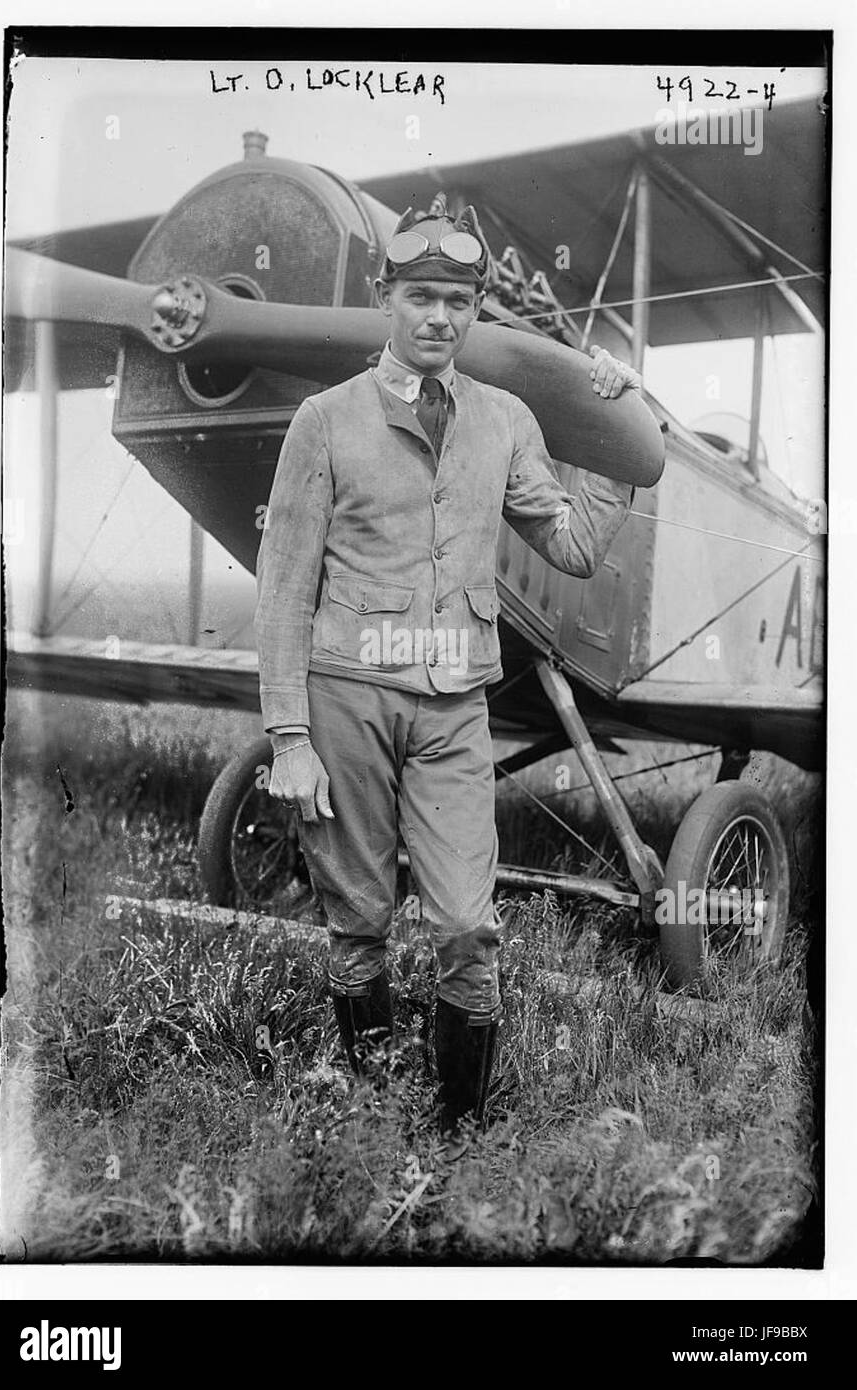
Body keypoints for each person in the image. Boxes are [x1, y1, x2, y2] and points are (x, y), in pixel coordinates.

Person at [255, 193, 641, 1148]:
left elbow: (577, 549)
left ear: (474, 314)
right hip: (346, 697)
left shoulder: (504, 420)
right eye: (421, 296)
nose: (438, 317)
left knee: (467, 924)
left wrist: (616, 425)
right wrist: (290, 738)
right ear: (388, 296)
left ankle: (459, 1131)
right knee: (359, 919)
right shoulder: (324, 420)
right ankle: (375, 1099)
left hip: (451, 708)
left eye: (458, 303)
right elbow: (282, 586)